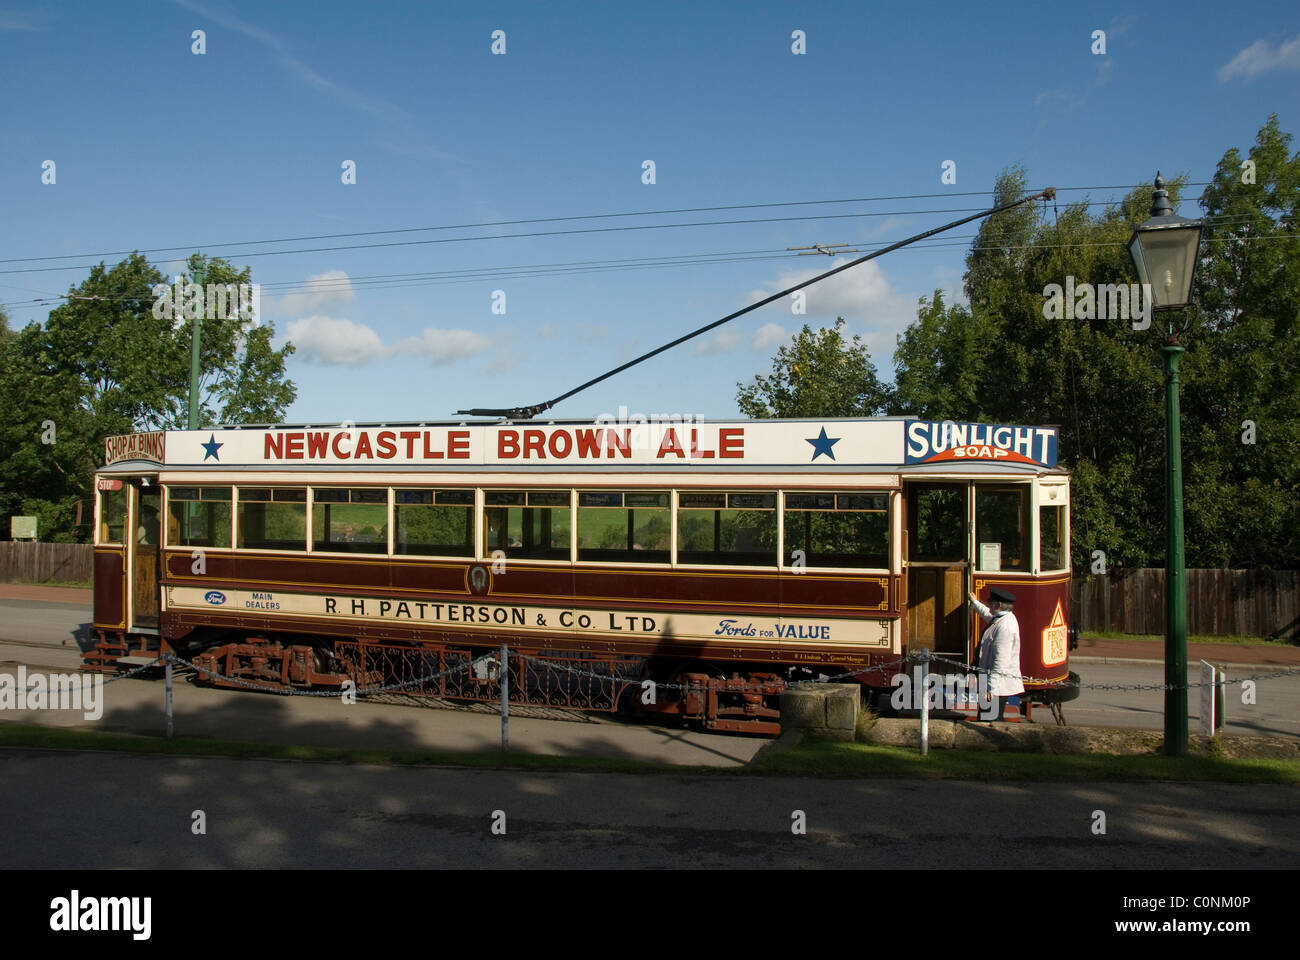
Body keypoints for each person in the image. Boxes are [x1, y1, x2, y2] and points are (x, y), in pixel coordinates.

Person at [968, 586, 1024, 721]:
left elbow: (1000, 661)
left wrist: (991, 689)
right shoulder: (1001, 618)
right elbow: (988, 615)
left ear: (998, 605)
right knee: (985, 718)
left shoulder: (1005, 627)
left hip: (996, 688)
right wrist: (975, 603)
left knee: (989, 721)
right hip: (993, 685)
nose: (988, 604)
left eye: (990, 602)